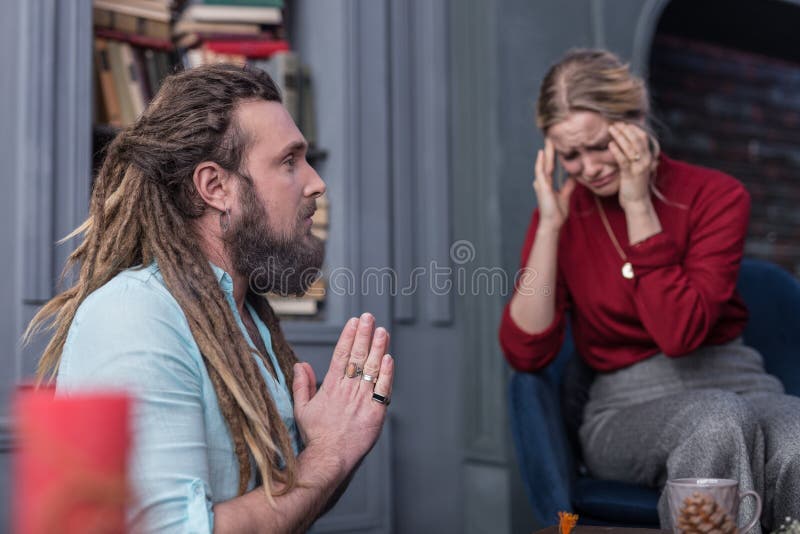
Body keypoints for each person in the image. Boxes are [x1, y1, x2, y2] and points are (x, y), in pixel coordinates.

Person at [25, 64, 394, 533]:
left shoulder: (248, 317)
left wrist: (331, 445)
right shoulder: (134, 314)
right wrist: (328, 454)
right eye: (289, 161)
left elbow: (293, 499)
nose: (316, 182)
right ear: (216, 187)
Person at [498, 49, 800, 530]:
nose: (589, 168)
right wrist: (550, 226)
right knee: (716, 422)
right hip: (626, 405)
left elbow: (679, 332)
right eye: (570, 155)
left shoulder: (717, 196)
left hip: (740, 380)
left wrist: (638, 205)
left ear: (637, 121)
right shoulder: (562, 214)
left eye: (600, 146)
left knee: (795, 436)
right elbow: (526, 353)